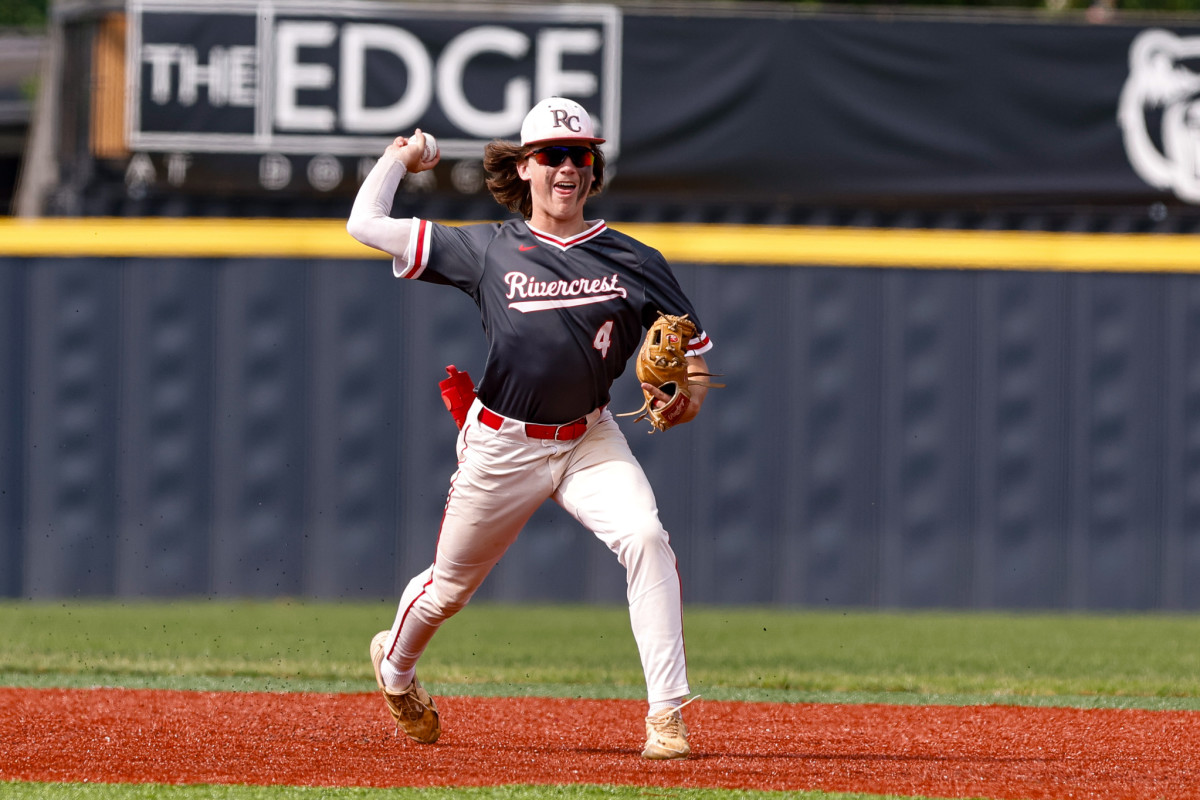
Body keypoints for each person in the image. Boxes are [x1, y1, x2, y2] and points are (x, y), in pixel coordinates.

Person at [346, 97, 715, 759]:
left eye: (579, 155)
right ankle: (396, 670)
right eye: (551, 155)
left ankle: (667, 716)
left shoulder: (637, 259)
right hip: (503, 446)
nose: (567, 167)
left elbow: (693, 363)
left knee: (645, 538)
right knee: (448, 591)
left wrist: (683, 397)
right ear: (525, 167)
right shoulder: (487, 248)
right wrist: (399, 158)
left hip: (588, 438)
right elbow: (364, 223)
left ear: (592, 168)